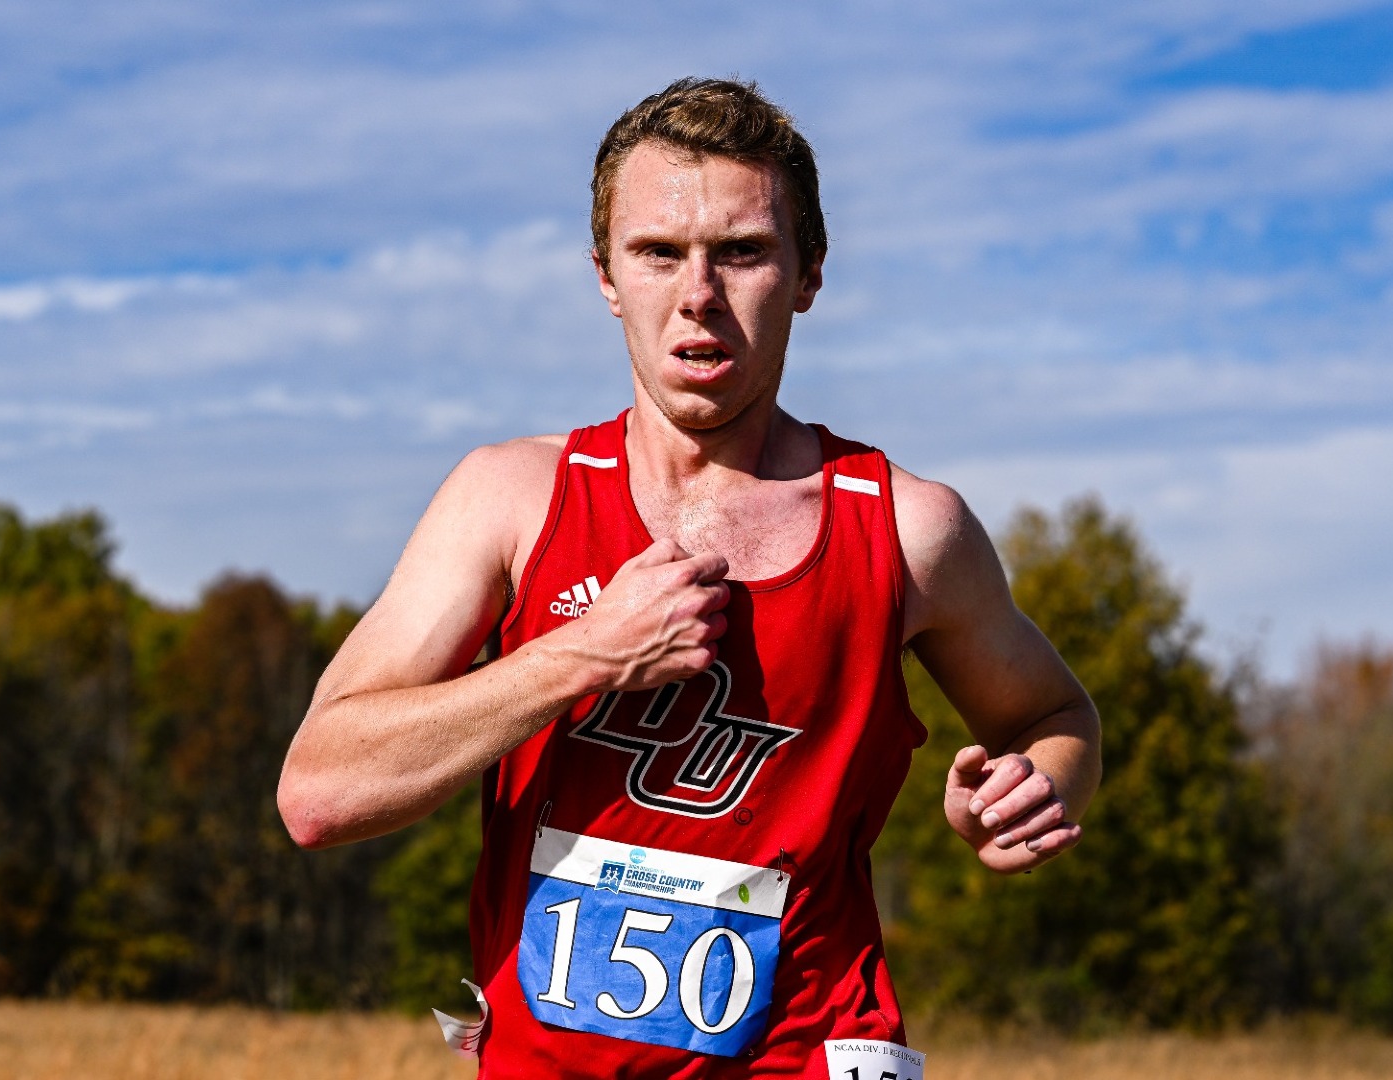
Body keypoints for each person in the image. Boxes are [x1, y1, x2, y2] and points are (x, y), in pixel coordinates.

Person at [277, 77, 1101, 1078]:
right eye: (658, 253)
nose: (697, 293)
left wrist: (1030, 787)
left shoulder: (909, 529)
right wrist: (582, 653)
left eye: (742, 253)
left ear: (808, 276)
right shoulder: (512, 500)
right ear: (606, 277)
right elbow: (320, 793)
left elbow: (1054, 715)